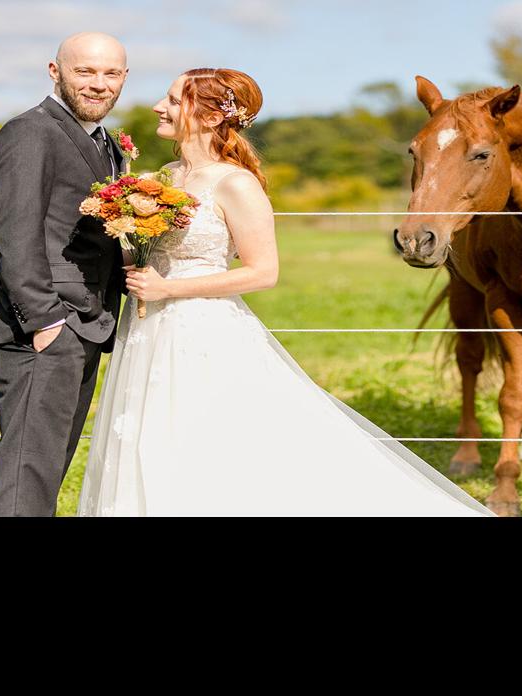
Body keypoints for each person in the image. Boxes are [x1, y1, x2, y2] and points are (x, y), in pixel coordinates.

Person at [76, 68, 493, 516]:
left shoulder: (234, 183)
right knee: (148, 433)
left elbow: (263, 272)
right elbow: (154, 251)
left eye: (175, 100)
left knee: (210, 440)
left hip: (200, 329)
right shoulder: (165, 176)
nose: (160, 107)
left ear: (213, 117)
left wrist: (168, 287)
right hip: (147, 330)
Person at [0, 32, 130, 516]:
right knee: (27, 470)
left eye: (110, 73)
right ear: (55, 71)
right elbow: (15, 232)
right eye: (85, 71)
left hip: (89, 324)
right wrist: (45, 321)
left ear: (124, 78)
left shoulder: (108, 142)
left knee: (48, 464)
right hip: (45, 327)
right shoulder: (29, 133)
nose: (99, 84)